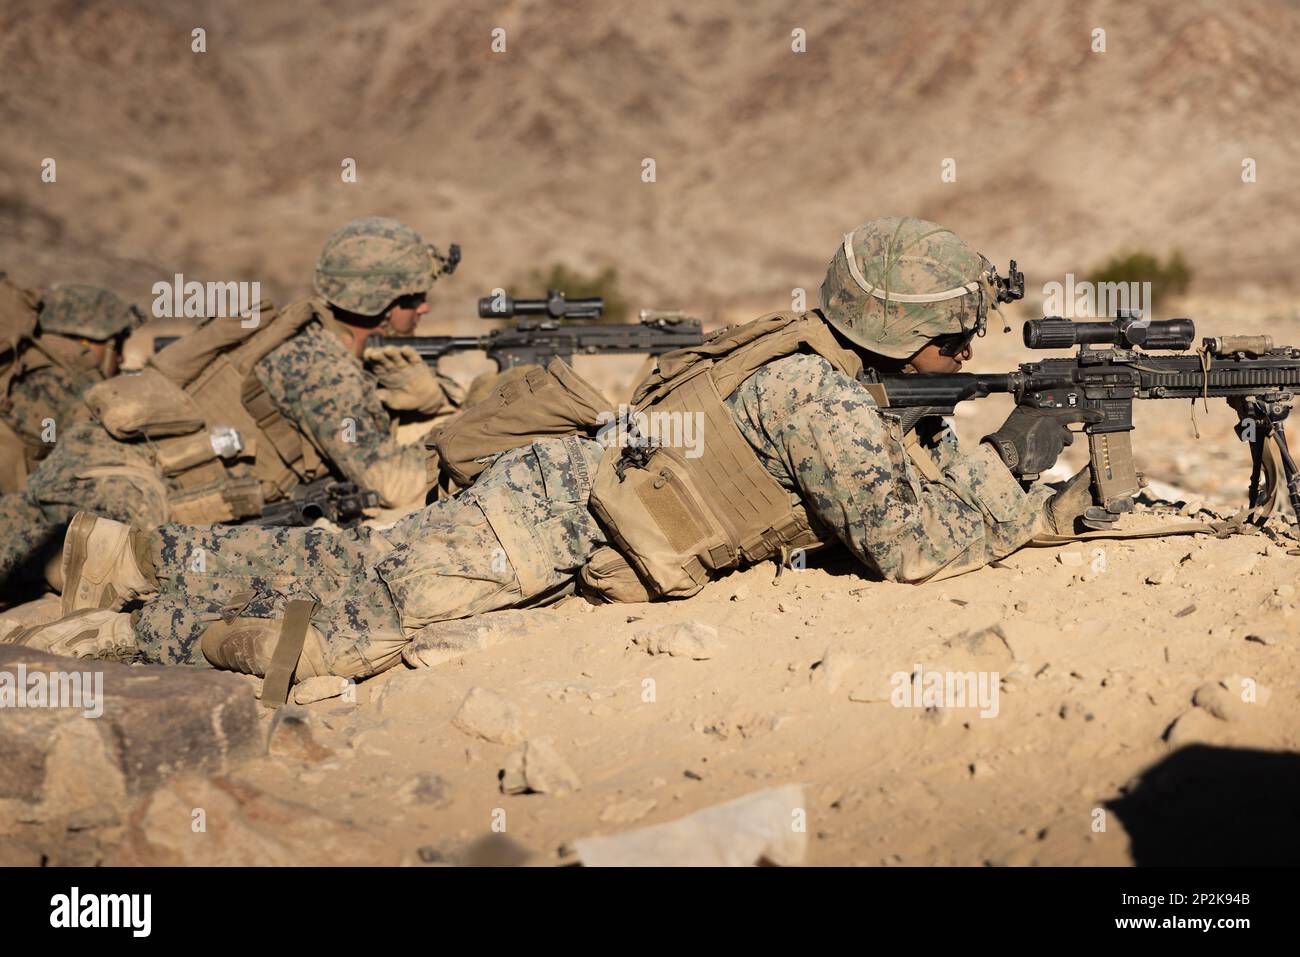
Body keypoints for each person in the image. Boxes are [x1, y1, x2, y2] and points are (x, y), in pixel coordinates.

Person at [13, 217, 1098, 705]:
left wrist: (976, 452)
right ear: (885, 320)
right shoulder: (810, 390)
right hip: (534, 526)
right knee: (356, 621)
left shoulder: (825, 365)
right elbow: (910, 552)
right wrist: (1021, 471)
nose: (966, 353)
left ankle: (138, 563)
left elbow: (896, 496)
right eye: (953, 336)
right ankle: (134, 611)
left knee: (359, 575)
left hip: (556, 502)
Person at [0, 217, 463, 594]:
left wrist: (419, 401)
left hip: (89, 478)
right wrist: (455, 428)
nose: (423, 309)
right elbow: (392, 483)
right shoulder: (324, 368)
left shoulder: (304, 339)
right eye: (415, 298)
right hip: (110, 502)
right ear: (381, 301)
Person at [0, 280, 143, 493]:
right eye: (118, 345)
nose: (121, 359)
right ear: (85, 342)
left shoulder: (23, 370)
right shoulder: (67, 387)